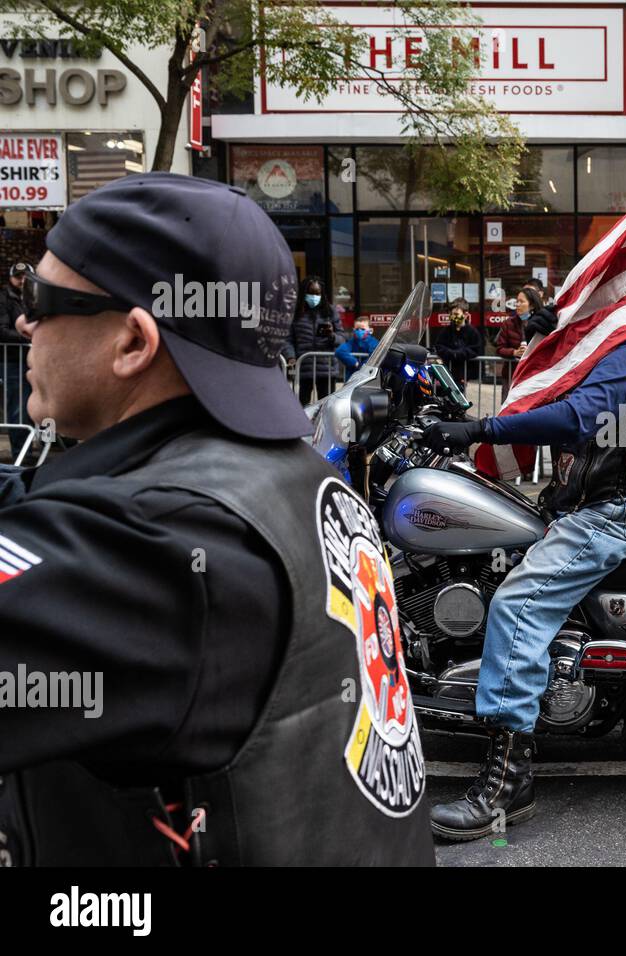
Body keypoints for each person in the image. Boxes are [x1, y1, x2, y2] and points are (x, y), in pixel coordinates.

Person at [0, 173, 434, 865]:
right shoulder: (304, 479)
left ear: (133, 343)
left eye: (37, 298)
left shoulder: (155, 540)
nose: (22, 323)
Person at [423, 332, 626, 840]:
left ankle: (508, 783)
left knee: (517, 604)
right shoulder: (612, 343)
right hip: (589, 500)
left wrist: (478, 429)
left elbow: (577, 417)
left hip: (619, 509)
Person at [288, 275, 343, 404]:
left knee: (325, 406)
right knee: (303, 405)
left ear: (322, 294)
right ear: (304, 293)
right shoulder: (296, 313)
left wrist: (332, 335)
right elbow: (288, 339)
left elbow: (342, 338)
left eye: (317, 293)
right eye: (311, 293)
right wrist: (290, 356)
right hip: (304, 367)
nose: (314, 297)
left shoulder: (330, 312)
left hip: (326, 368)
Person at [2, 262, 30, 428]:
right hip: (14, 360)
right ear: (11, 278)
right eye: (18, 276)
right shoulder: (4, 299)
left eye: (25, 276)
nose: (22, 280)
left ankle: (49, 440)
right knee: (19, 405)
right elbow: (2, 331)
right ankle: (21, 450)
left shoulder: (39, 297)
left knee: (46, 403)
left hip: (37, 359)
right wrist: (29, 339)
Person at [433, 297, 482, 388]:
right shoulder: (446, 330)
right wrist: (451, 353)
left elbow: (476, 349)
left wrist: (458, 354)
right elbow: (439, 346)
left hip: (464, 374)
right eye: (451, 314)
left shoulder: (472, 332)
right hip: (448, 372)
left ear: (466, 314)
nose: (453, 317)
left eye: (456, 314)